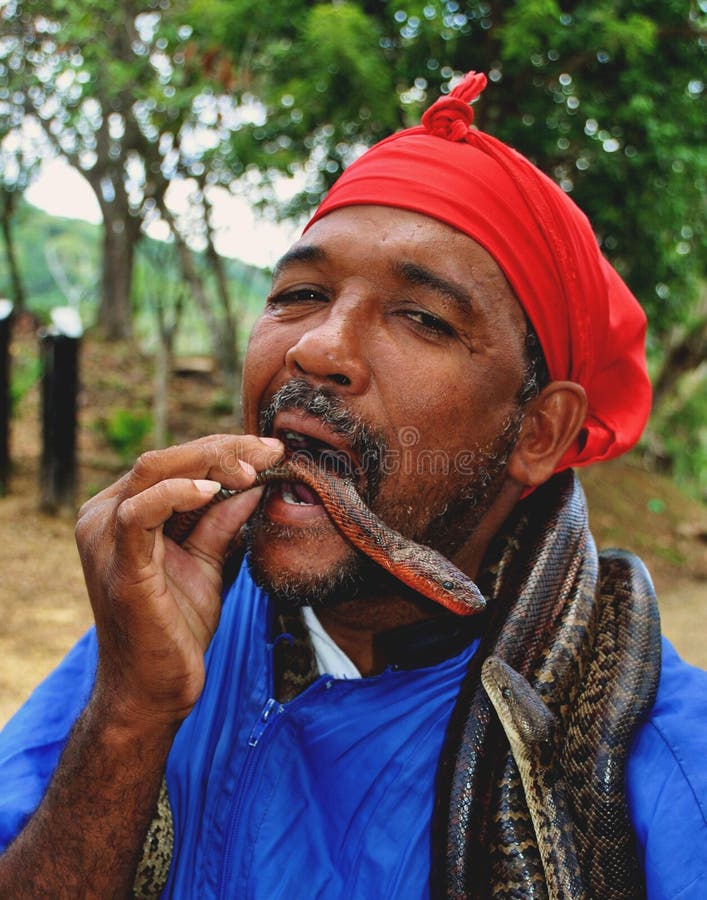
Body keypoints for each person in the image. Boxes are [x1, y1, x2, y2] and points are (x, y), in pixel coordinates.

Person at [0, 72, 705, 899]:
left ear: (539, 431)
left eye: (423, 318)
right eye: (299, 295)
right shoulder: (156, 640)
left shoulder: (665, 773)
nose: (318, 348)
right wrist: (128, 716)